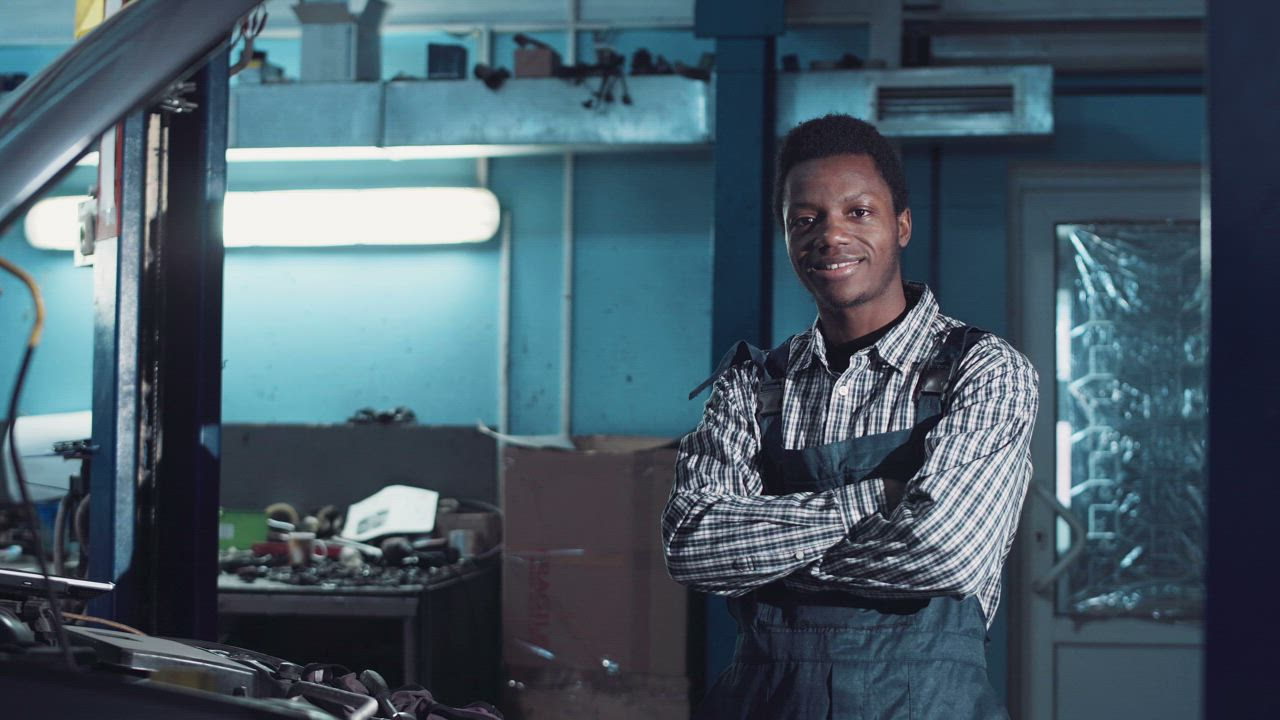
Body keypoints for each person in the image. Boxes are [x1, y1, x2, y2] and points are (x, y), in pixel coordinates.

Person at [662, 114, 1039, 719]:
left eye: (858, 212)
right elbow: (694, 546)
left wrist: (768, 561)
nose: (831, 235)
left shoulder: (984, 370)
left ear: (902, 225)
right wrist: (877, 498)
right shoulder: (751, 385)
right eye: (805, 220)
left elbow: (943, 551)